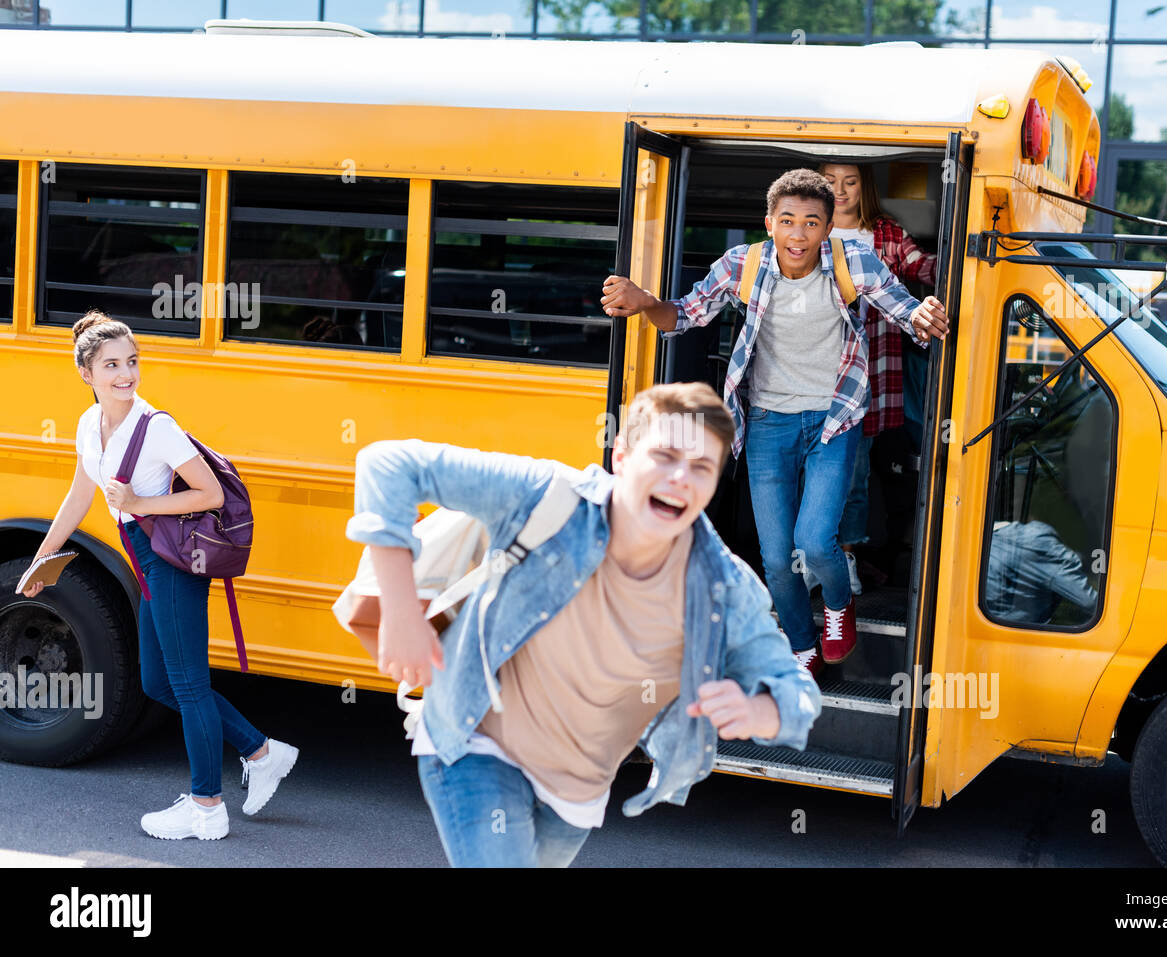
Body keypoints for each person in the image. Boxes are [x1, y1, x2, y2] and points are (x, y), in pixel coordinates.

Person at [346, 382, 822, 867]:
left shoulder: (722, 585)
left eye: (701, 467)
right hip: (475, 741)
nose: (681, 477)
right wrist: (401, 608)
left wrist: (758, 709)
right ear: (622, 455)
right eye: (665, 455)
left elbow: (796, 693)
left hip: (577, 792)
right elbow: (389, 462)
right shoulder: (549, 498)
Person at [600, 169, 949, 676]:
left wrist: (923, 316)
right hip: (767, 422)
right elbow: (687, 314)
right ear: (769, 224)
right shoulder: (743, 264)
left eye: (811, 223)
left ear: (828, 229)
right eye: (787, 221)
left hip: (834, 416)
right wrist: (647, 303)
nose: (798, 234)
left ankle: (837, 605)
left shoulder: (855, 263)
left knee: (814, 540)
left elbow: (904, 310)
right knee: (777, 558)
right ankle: (801, 644)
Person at [18, 310, 297, 841]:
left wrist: (141, 500)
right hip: (143, 561)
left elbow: (209, 493)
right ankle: (261, 753)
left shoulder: (156, 427)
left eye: (131, 362)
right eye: (112, 365)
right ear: (86, 373)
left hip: (173, 560)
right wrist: (43, 558)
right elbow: (80, 494)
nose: (126, 374)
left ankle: (206, 806)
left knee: (189, 684)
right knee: (156, 681)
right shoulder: (89, 424)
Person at [821, 163, 939, 595]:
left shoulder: (885, 234)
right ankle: (813, 557)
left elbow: (922, 267)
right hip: (812, 371)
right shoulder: (808, 229)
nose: (840, 190)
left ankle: (845, 557)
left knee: (853, 476)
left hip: (867, 374)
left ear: (864, 187)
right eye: (831, 182)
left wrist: (965, 252)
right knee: (809, 472)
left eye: (850, 182)